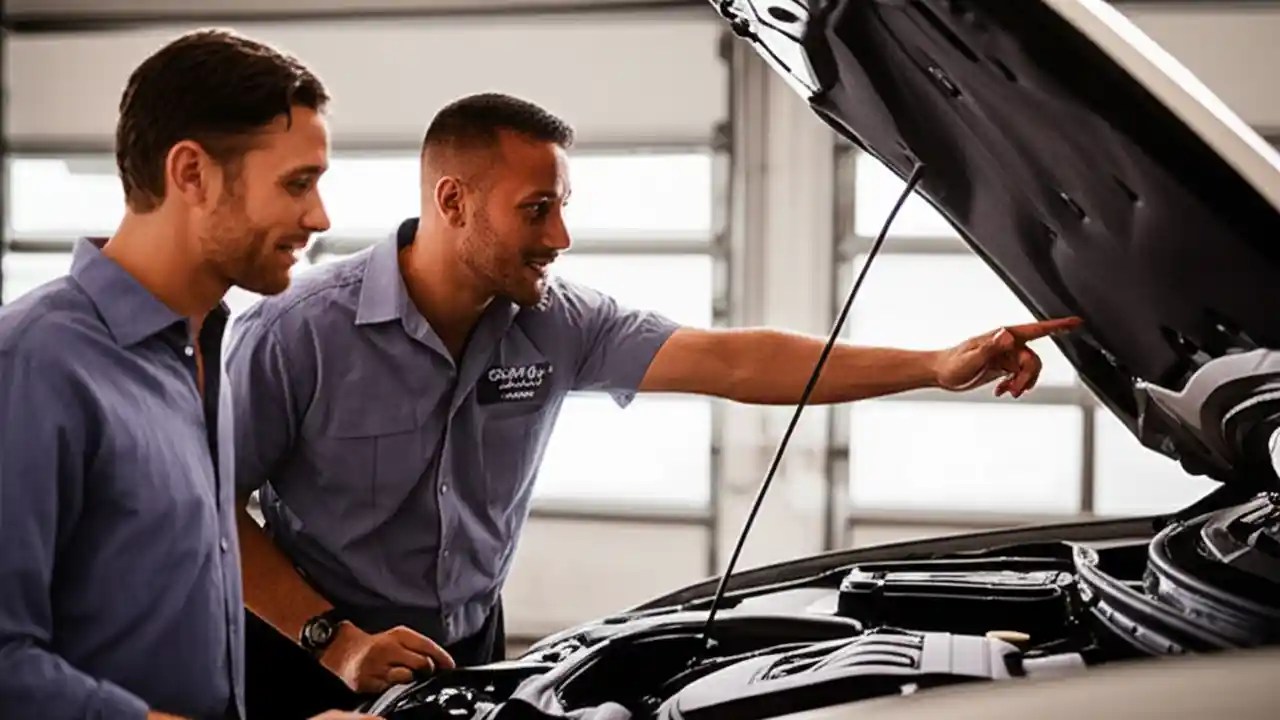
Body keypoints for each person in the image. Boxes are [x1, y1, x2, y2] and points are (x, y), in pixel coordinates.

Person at [226, 92, 1082, 696]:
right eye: (537, 209)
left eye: (563, 206)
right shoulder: (297, 333)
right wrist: (334, 642)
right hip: (311, 651)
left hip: (468, 647)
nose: (562, 236)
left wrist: (934, 365)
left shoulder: (558, 322)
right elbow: (209, 506)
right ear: (454, 201)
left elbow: (736, 362)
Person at [0, 28, 373, 720]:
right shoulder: (32, 364)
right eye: (297, 183)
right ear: (192, 174)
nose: (319, 216)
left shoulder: (201, 348)